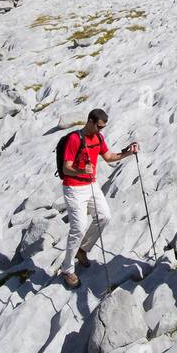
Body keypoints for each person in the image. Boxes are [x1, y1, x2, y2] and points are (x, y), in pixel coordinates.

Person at [58, 108, 139, 288]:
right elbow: (66, 168)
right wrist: (81, 170)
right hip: (73, 188)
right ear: (90, 121)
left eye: (103, 127)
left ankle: (82, 249)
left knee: (104, 216)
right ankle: (67, 269)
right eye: (99, 127)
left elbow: (109, 157)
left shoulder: (99, 138)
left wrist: (129, 153)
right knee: (78, 227)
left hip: (91, 185)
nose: (101, 130)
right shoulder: (74, 139)